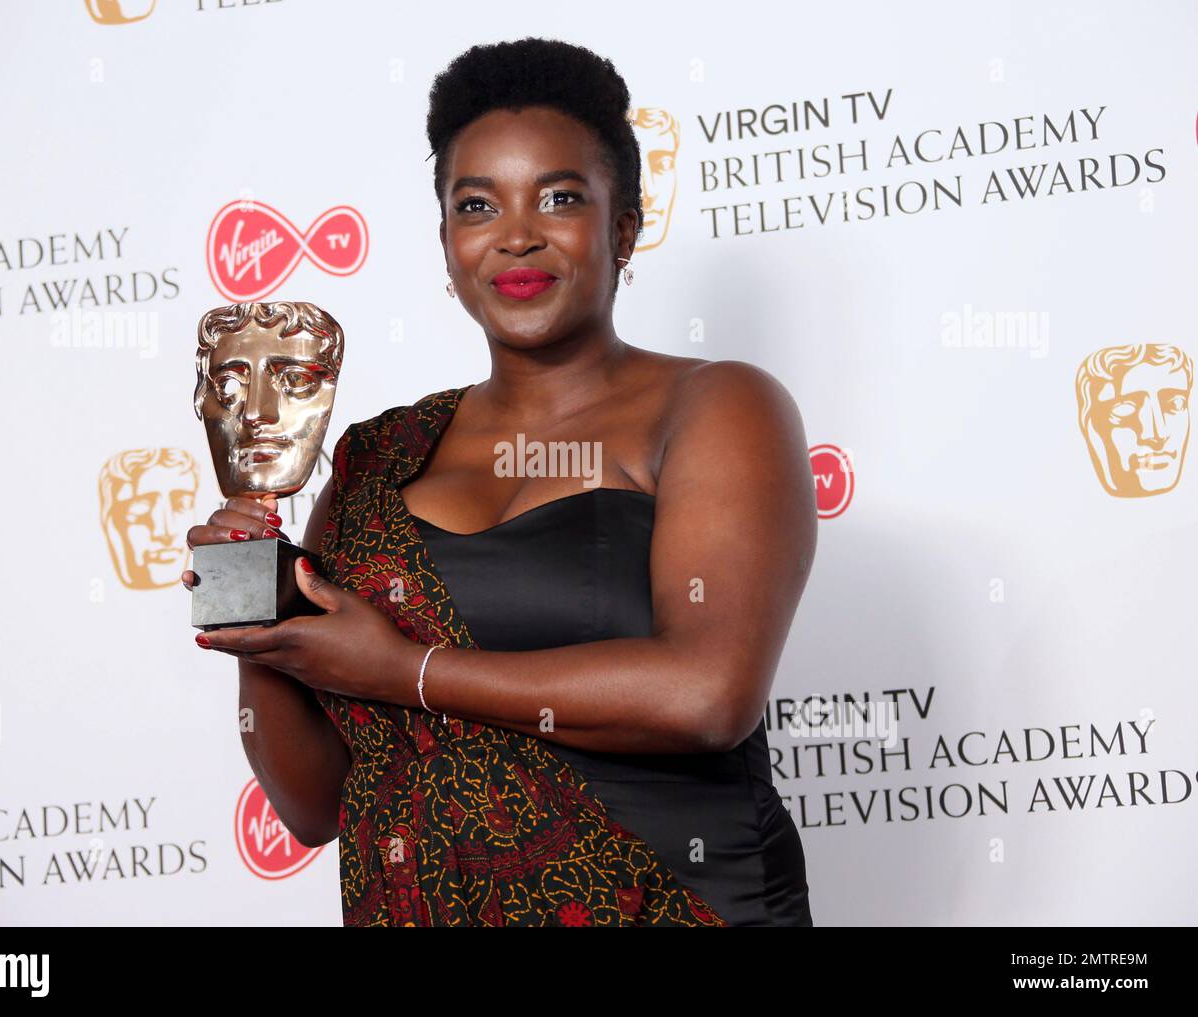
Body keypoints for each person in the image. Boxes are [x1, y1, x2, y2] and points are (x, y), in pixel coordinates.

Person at [184, 36, 816, 927]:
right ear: (447, 243)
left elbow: (707, 693)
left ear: (625, 226)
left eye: (560, 197)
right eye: (476, 205)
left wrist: (409, 670)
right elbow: (315, 804)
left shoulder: (714, 406)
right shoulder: (374, 456)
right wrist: (250, 608)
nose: (516, 234)